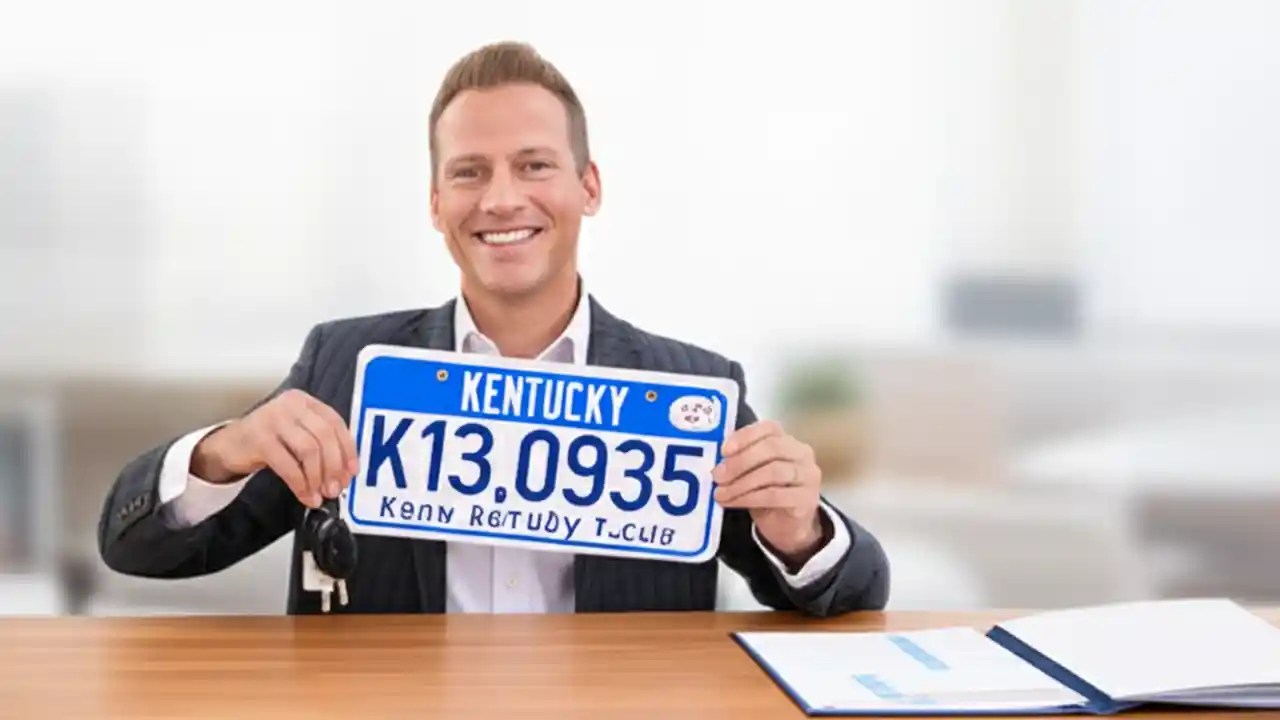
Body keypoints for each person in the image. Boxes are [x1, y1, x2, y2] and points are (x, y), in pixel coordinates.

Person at [97, 41, 890, 616]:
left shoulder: (691, 390)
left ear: (588, 187)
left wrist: (800, 529)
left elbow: (852, 595)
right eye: (469, 172)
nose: (501, 198)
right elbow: (135, 548)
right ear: (436, 203)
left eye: (534, 165)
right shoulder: (344, 366)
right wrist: (226, 448)